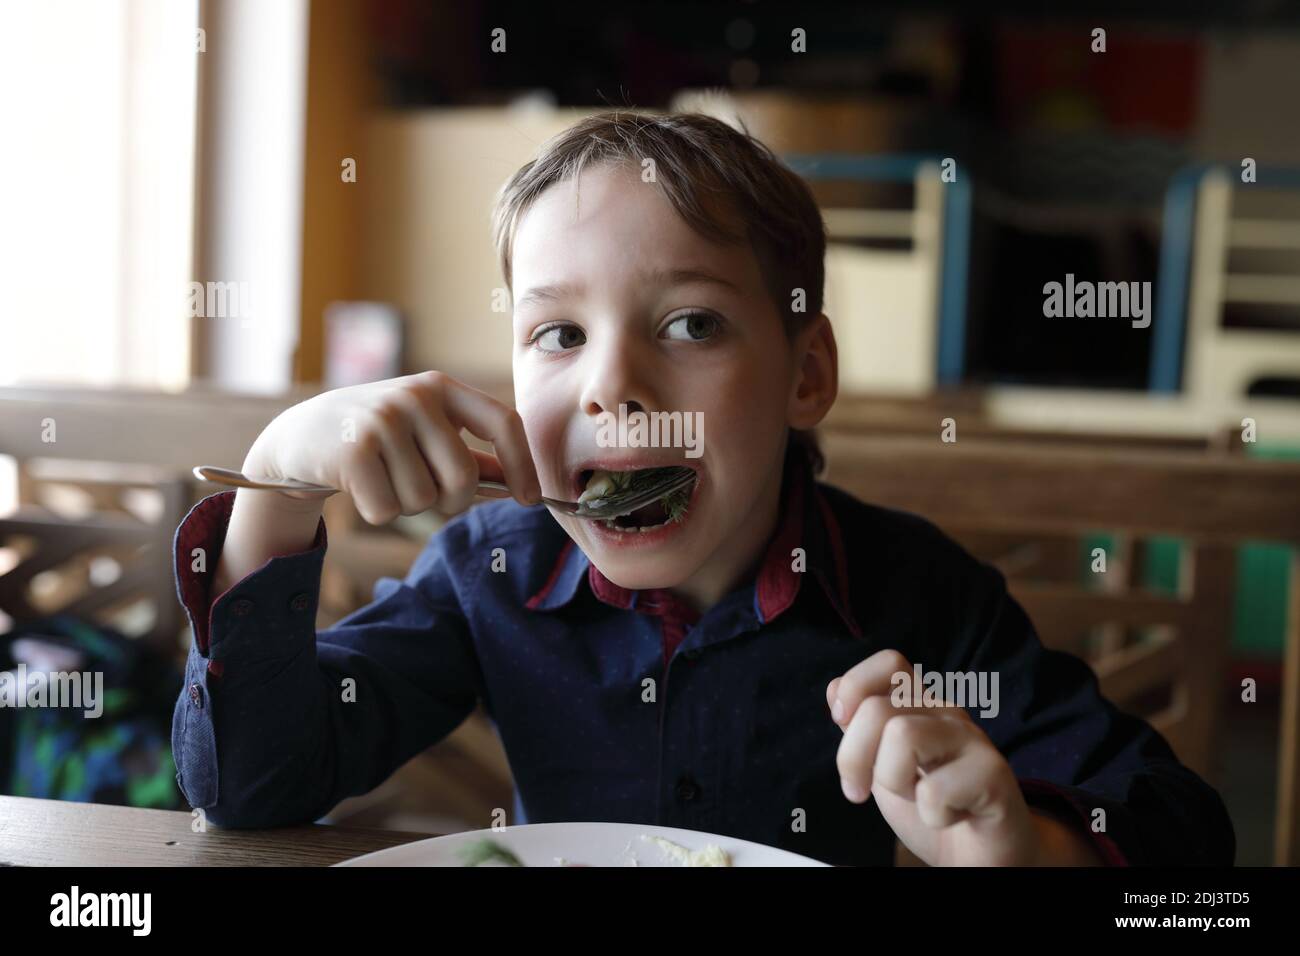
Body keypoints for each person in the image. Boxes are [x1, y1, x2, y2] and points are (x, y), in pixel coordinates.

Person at [170, 111, 1234, 866]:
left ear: (806, 374)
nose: (612, 384)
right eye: (558, 334)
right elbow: (249, 787)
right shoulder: (484, 572)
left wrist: (1024, 847)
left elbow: (1180, 830)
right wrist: (277, 483)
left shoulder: (921, 596)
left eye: (690, 323)